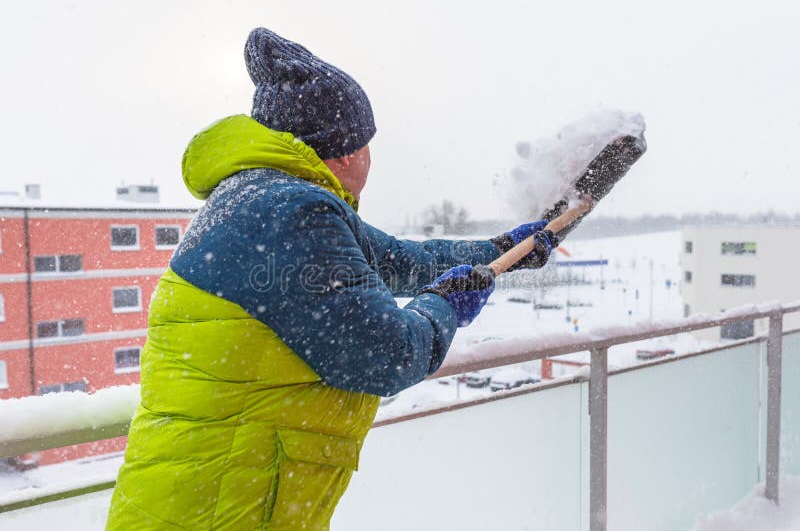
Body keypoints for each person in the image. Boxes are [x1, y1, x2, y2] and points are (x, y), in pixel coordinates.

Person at [106, 27, 556, 530]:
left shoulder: (264, 197)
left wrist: (500, 253)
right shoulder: (291, 213)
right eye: (367, 143)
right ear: (344, 152)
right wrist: (444, 304)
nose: (371, 156)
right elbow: (388, 354)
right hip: (222, 504)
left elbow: (398, 260)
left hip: (204, 494)